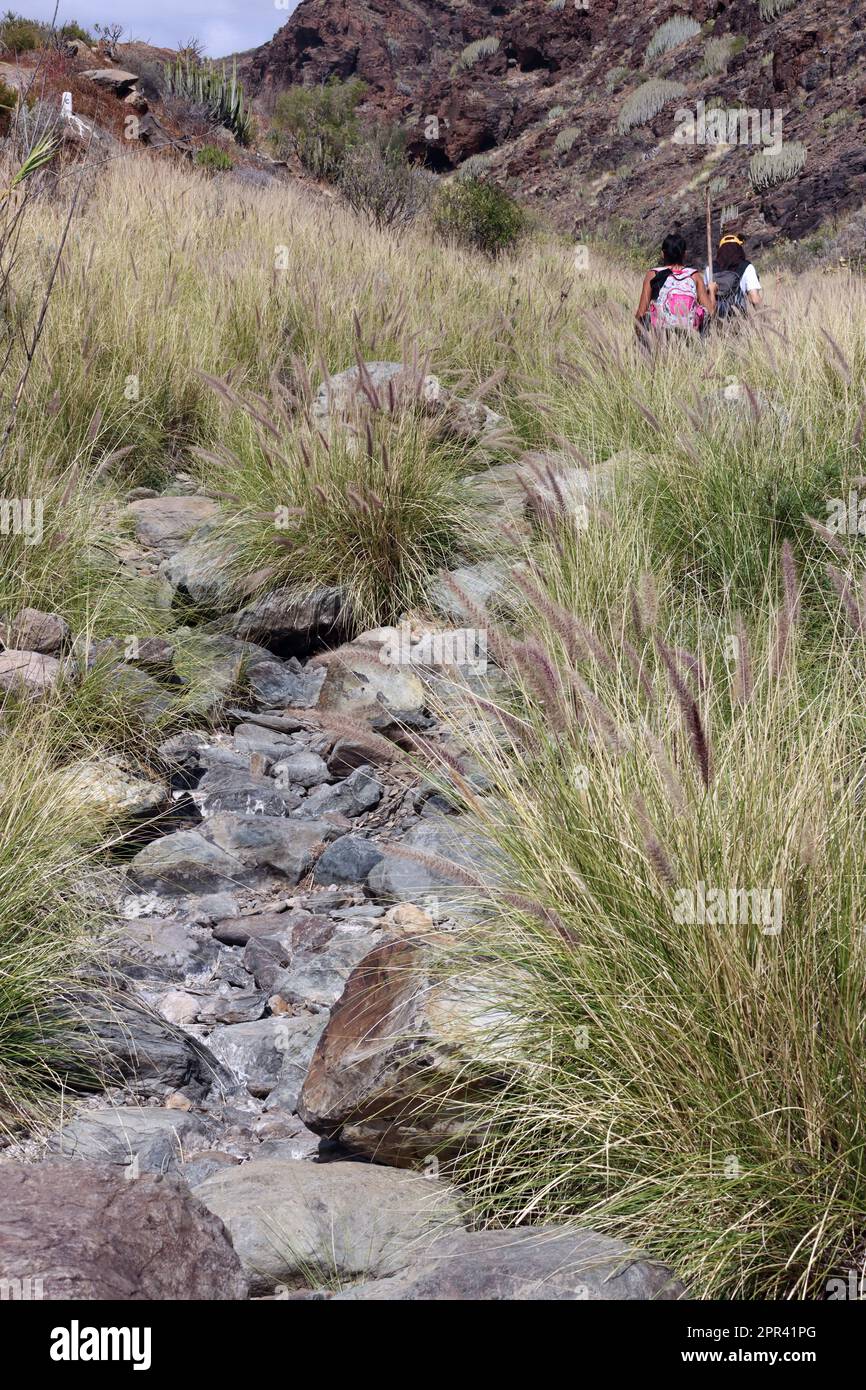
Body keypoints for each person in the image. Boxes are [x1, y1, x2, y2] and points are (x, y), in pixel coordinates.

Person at [635, 234, 716, 335]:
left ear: (662, 254)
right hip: (690, 336)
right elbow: (711, 312)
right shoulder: (694, 275)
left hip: (660, 336)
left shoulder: (653, 274)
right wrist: (712, 291)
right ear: (685, 254)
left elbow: (641, 313)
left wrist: (638, 338)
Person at [705, 225, 763, 322]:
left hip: (716, 321)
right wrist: (764, 319)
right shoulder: (747, 267)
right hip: (739, 321)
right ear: (739, 249)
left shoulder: (709, 269)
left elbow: (705, 298)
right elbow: (755, 299)